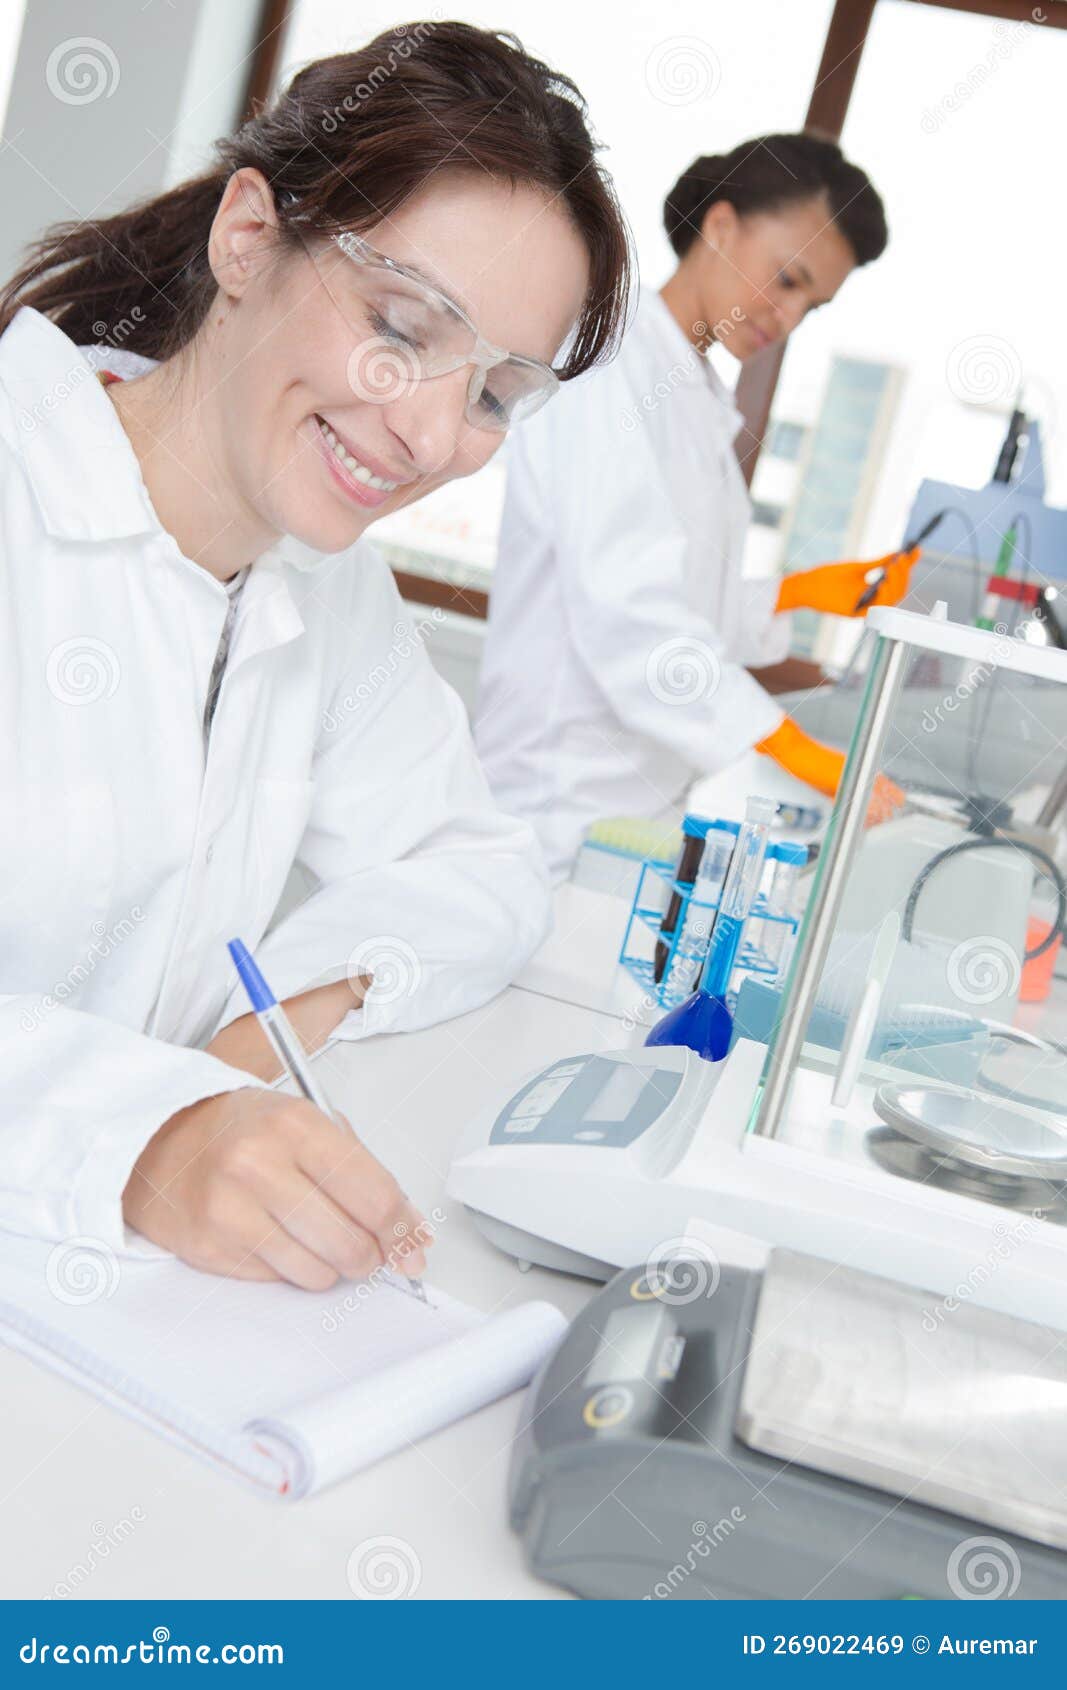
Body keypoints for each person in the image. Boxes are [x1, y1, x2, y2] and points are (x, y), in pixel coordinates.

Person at [0, 23, 630, 1289]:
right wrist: (140, 1138)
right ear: (247, 238)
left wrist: (288, 1006)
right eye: (402, 323)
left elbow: (482, 868)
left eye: (497, 393)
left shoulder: (322, 590)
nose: (432, 432)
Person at [475, 133, 911, 883]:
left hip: (631, 816)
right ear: (720, 225)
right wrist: (784, 742)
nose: (788, 316)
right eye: (787, 278)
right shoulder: (606, 360)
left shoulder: (695, 393)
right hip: (548, 814)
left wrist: (796, 595)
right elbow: (629, 612)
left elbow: (687, 608)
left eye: (811, 303)